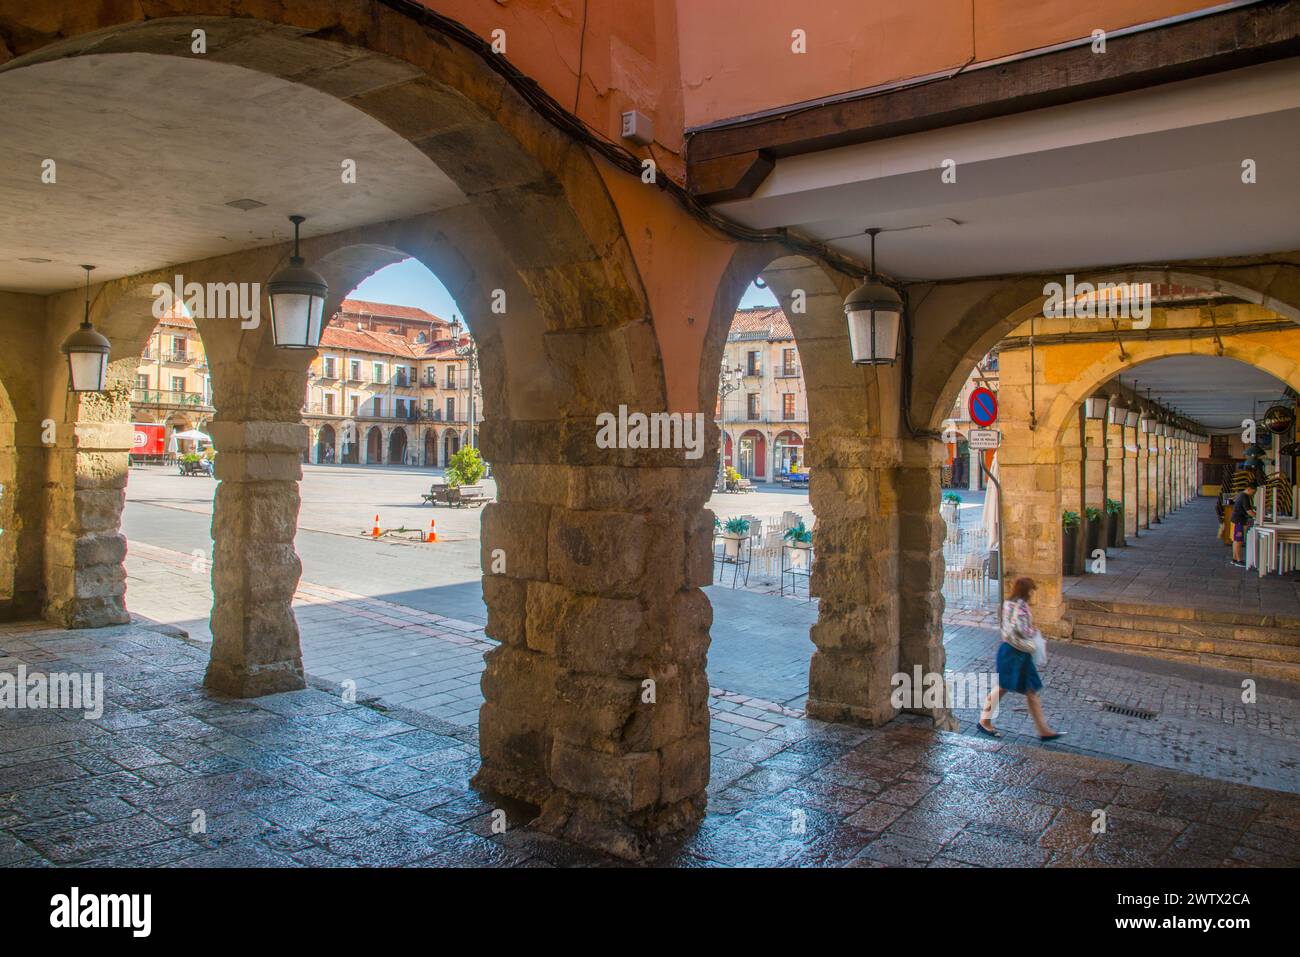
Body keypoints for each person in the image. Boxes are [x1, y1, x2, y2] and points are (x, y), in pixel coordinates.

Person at [978, 577, 1065, 742]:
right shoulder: (1022, 607)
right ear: (1027, 591)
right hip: (1017, 653)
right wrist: (1035, 631)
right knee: (1019, 689)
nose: (1033, 593)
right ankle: (985, 721)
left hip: (1008, 650)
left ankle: (1042, 730)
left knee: (1018, 688)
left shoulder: (1006, 604)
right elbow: (1024, 631)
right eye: (1032, 589)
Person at [1230, 480, 1257, 568]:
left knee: (1236, 540)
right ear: (1249, 489)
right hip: (1239, 521)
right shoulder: (1244, 496)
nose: (1253, 494)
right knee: (1238, 540)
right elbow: (1249, 511)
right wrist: (1259, 517)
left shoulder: (1241, 494)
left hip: (1236, 520)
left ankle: (1234, 559)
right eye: (1253, 492)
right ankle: (1238, 560)